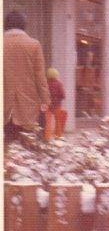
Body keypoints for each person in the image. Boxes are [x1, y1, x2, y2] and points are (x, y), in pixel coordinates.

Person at [4, 11, 51, 142]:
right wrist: (45, 101)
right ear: (24, 25)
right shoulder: (33, 44)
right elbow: (40, 76)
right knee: (27, 148)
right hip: (28, 107)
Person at [44, 68, 67, 140]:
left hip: (47, 104)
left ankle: (47, 137)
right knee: (58, 121)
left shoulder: (45, 84)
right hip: (57, 104)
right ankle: (58, 136)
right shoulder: (59, 84)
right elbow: (63, 95)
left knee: (48, 122)